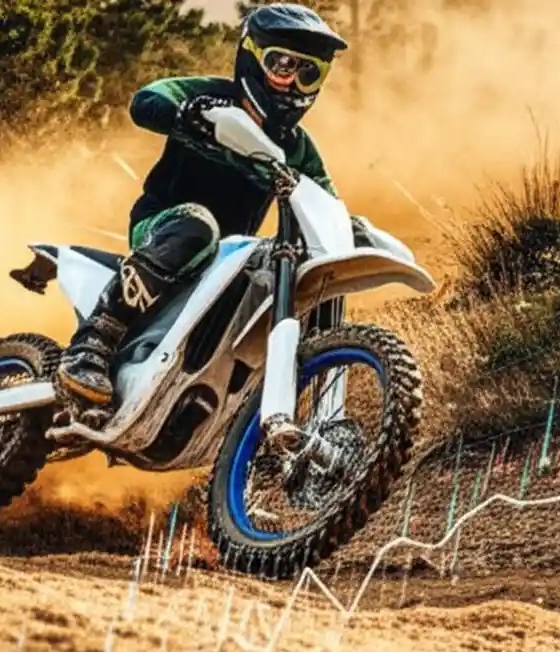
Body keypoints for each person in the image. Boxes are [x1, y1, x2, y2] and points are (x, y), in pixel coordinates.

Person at [57, 3, 363, 407]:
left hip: (231, 258)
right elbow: (145, 102)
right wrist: (186, 114)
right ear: (250, 57)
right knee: (199, 225)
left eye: (308, 73)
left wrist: (347, 229)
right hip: (164, 227)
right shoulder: (209, 95)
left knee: (306, 269)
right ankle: (94, 342)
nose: (292, 83)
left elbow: (325, 201)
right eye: (282, 65)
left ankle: (304, 410)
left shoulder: (298, 149)